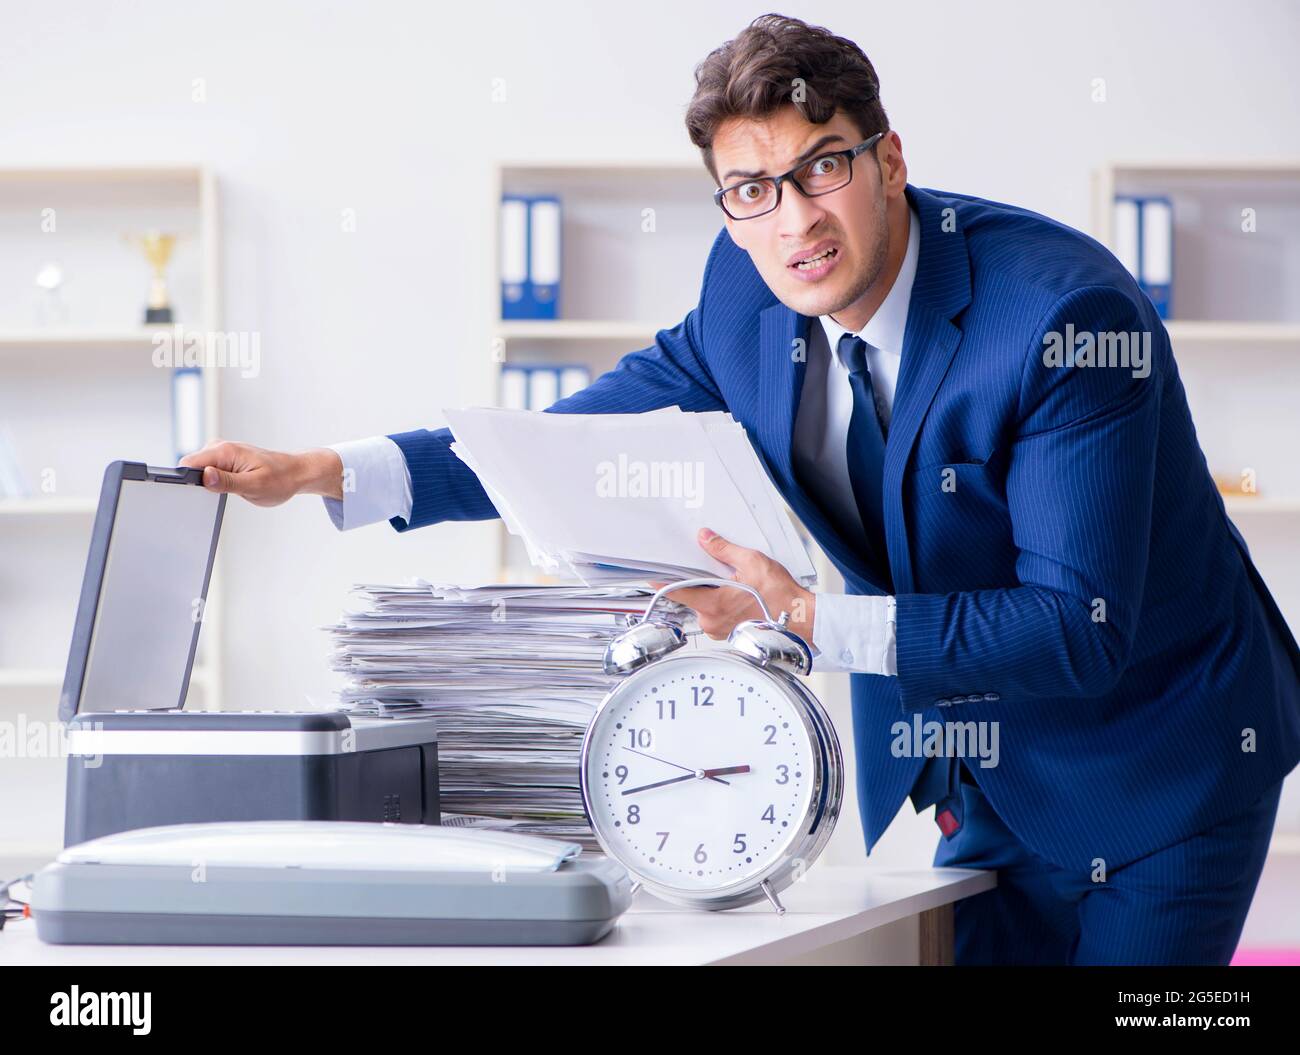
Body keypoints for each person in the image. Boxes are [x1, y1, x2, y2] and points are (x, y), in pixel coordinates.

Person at [182, 14, 1300, 964]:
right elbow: (573, 435)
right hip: (984, 766)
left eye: (823, 166)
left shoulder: (1063, 321)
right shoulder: (747, 289)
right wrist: (336, 470)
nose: (795, 220)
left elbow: (1074, 631)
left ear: (887, 160)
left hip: (1164, 764)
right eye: (752, 189)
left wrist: (799, 617)